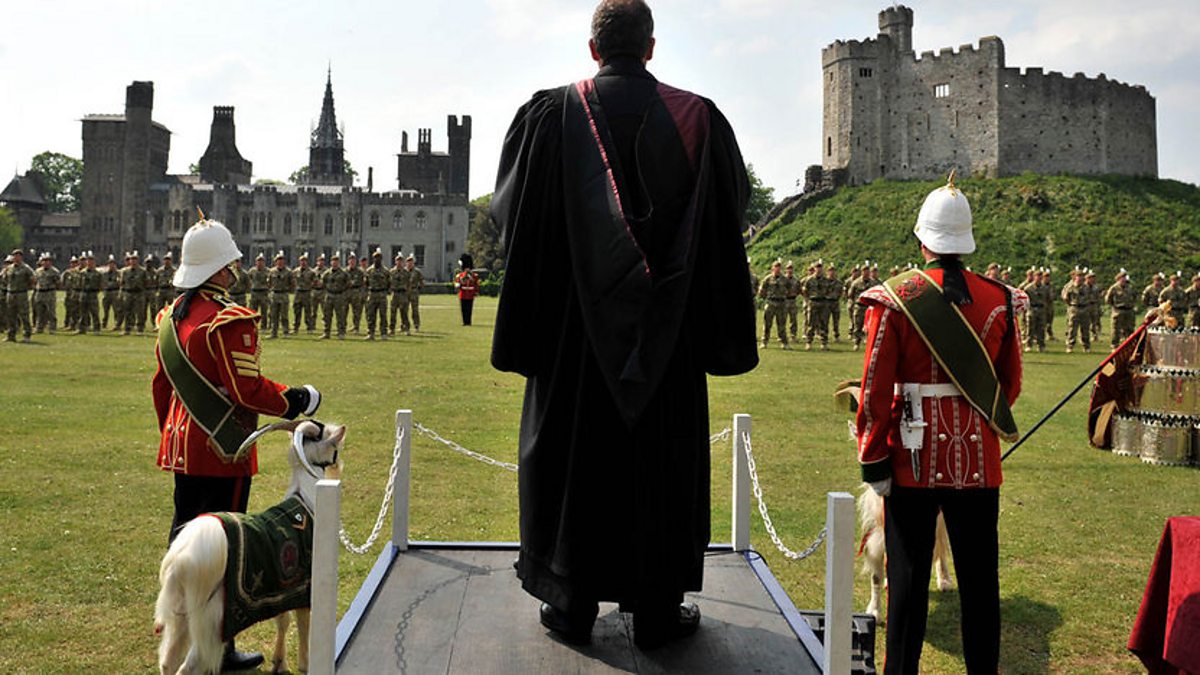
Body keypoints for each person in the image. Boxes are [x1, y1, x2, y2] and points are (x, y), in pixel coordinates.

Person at [490, 0, 757, 649]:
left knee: (576, 462)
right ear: (651, 47)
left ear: (592, 49)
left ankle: (569, 602)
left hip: (575, 345)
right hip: (665, 345)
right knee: (659, 465)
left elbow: (511, 219)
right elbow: (732, 211)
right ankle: (657, 608)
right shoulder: (700, 120)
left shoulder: (550, 118)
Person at [855, 175, 1024, 674]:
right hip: (978, 463)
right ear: (967, 241)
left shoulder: (894, 298)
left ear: (922, 239)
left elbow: (874, 388)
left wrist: (873, 458)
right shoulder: (1000, 299)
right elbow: (1007, 387)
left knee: (906, 589)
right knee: (980, 586)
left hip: (910, 461)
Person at [151, 215, 320, 672]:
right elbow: (248, 390)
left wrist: (173, 436)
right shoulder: (229, 320)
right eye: (231, 263)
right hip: (223, 450)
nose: (236, 269)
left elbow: (162, 390)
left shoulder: (170, 317)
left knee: (185, 539)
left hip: (183, 446)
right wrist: (298, 400)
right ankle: (217, 648)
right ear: (220, 269)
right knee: (223, 550)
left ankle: (178, 628)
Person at [4, 249, 35, 342]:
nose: (16, 257)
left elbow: (33, 279)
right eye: (15, 255)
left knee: (24, 315)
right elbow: (4, 279)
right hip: (10, 294)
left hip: (21, 294)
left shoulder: (26, 268)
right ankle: (11, 335)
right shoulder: (9, 268)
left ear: (21, 257)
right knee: (10, 315)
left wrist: (27, 286)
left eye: (18, 255)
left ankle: (27, 335)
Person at [758, 259, 789, 348]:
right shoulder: (767, 278)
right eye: (776, 267)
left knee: (782, 324)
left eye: (779, 267)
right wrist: (766, 297)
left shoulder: (785, 279)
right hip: (771, 302)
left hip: (781, 303)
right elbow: (762, 290)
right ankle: (764, 342)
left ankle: (784, 342)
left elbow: (790, 289)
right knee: (767, 324)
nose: (777, 269)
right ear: (772, 268)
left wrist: (784, 296)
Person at [363, 248, 392, 340]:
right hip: (372, 294)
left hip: (382, 294)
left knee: (383, 315)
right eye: (375, 258)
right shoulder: (369, 271)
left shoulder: (386, 271)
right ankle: (371, 333)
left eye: (378, 258)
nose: (377, 260)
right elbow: (366, 283)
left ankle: (384, 333)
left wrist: (385, 291)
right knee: (370, 315)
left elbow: (389, 283)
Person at [1105, 270, 1138, 347]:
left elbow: (1135, 296)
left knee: (1130, 329)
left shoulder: (1130, 287)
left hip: (1129, 311)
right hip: (1118, 310)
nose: (1124, 279)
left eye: (1124, 278)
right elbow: (1108, 299)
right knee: (1116, 329)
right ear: (1118, 279)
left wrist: (1132, 305)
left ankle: (1129, 344)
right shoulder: (1114, 288)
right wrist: (1115, 306)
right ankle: (1114, 345)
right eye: (1122, 278)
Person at [454, 253, 481, 326]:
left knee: (469, 308)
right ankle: (464, 321)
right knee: (463, 309)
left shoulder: (474, 275)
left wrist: (476, 292)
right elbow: (457, 283)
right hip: (463, 293)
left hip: (470, 293)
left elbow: (476, 284)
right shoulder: (460, 275)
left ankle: (468, 321)